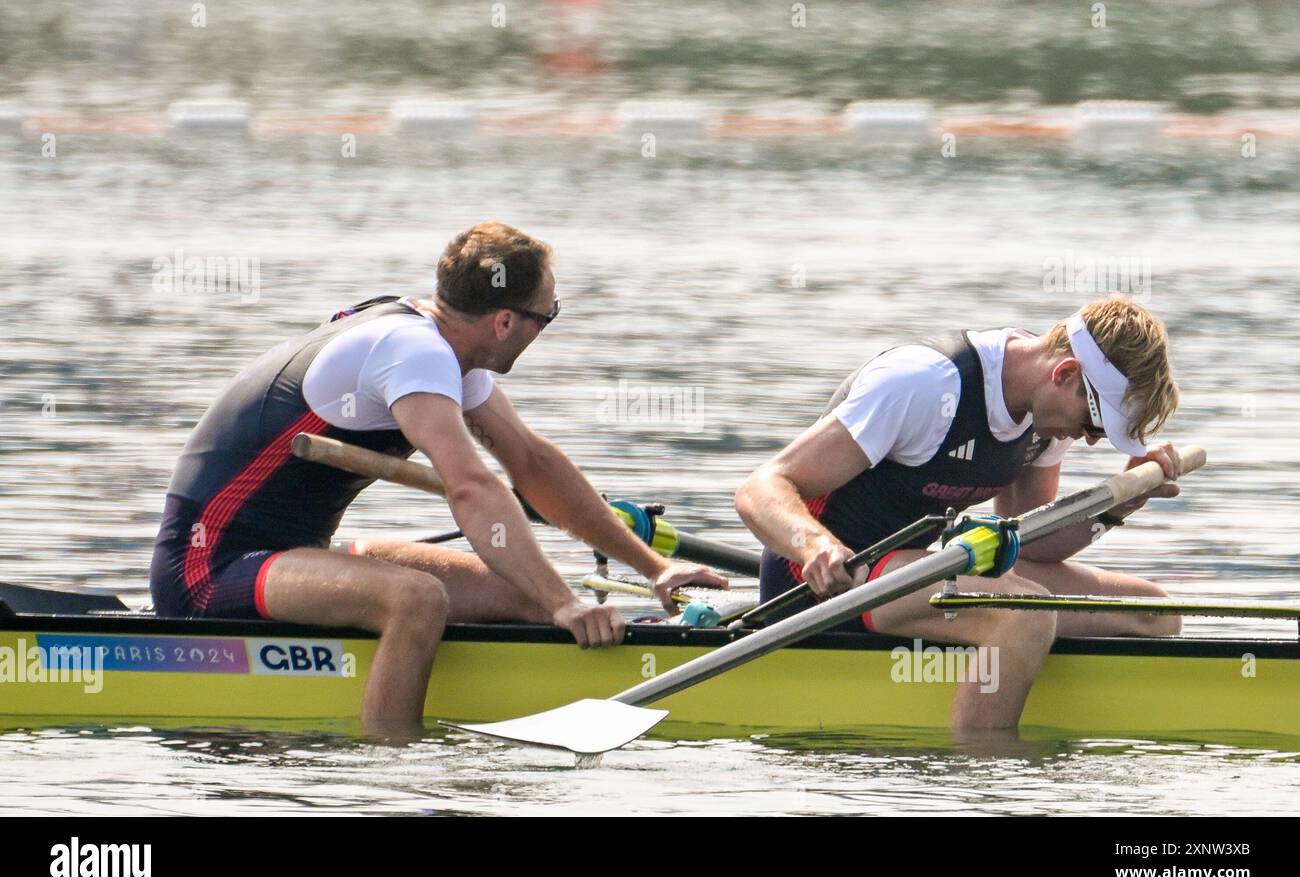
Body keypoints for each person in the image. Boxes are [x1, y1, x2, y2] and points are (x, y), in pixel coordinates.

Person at [150, 222, 725, 728]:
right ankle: (397, 759)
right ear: (505, 321)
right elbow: (471, 487)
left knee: (519, 592)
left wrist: (652, 566)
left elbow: (533, 465)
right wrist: (565, 605)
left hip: (293, 551)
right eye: (549, 317)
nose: (546, 327)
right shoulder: (413, 353)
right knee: (416, 600)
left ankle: (491, 709)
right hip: (208, 566)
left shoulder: (446, 349)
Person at [734, 295, 1182, 729]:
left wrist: (1119, 505)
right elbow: (762, 487)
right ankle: (978, 778)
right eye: (1095, 423)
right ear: (1066, 373)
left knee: (1153, 612)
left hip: (910, 571)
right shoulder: (923, 383)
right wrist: (815, 545)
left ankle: (1017, 688)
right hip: (823, 582)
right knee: (1025, 615)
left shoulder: (1048, 411)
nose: (1090, 439)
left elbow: (1035, 541)